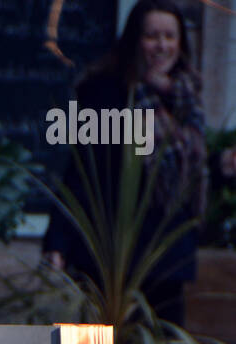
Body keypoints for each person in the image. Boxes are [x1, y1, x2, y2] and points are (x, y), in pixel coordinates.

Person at [42, 1, 208, 327]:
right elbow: (83, 170)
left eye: (170, 36)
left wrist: (222, 165)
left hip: (166, 260)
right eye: (152, 36)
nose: (162, 46)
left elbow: (188, 172)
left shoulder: (187, 97)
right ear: (135, 40)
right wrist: (57, 241)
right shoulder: (106, 92)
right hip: (112, 259)